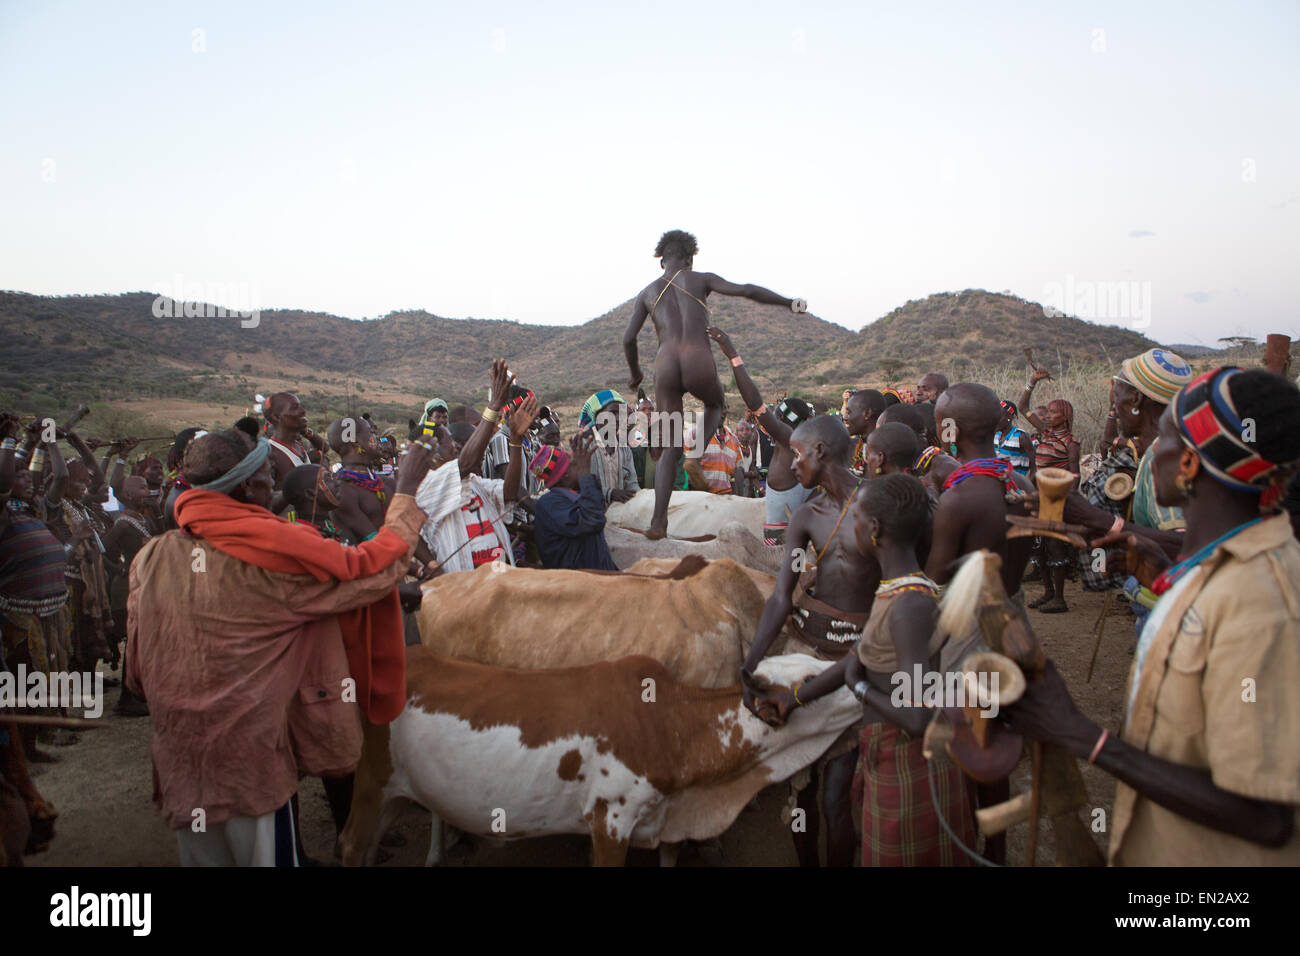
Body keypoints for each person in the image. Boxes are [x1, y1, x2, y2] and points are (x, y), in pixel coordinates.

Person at [1003, 368, 1300, 865]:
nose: (1146, 449)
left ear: (1188, 461)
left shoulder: (1259, 602)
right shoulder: (1225, 570)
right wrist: (1165, 575)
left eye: (1162, 436)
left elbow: (1265, 817)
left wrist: (1084, 736)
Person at [126, 428, 440, 866]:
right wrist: (404, 492)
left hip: (180, 765)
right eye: (269, 476)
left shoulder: (151, 556)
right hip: (250, 769)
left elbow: (135, 676)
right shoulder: (276, 558)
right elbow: (372, 573)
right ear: (251, 486)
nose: (273, 487)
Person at [754, 474, 977, 865]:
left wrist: (859, 690)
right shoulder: (893, 590)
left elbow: (917, 716)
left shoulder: (909, 605)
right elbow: (857, 661)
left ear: (873, 530)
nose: (847, 525)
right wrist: (793, 699)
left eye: (854, 517)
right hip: (888, 755)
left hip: (908, 764)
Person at [740, 414, 877, 867]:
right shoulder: (805, 515)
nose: (792, 463)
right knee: (802, 790)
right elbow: (782, 596)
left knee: (837, 795)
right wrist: (753, 663)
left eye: (797, 453)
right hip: (805, 653)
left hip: (856, 665)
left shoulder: (879, 506)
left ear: (820, 451)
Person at [623, 229, 806, 539]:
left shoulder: (647, 293)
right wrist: (789, 302)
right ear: (690, 258)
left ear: (661, 261)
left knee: (668, 448)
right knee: (716, 404)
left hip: (664, 364)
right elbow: (746, 289)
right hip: (697, 358)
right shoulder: (700, 279)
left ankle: (658, 523)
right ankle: (695, 453)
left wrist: (636, 373)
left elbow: (628, 338)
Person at [923, 383, 1036, 863]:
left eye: (939, 419)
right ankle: (999, 850)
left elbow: (931, 584)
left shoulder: (961, 499)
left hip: (967, 627)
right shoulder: (1021, 486)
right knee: (992, 741)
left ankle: (968, 848)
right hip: (1011, 617)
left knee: (966, 746)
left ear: (952, 429)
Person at [415, 361, 538, 574]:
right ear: (434, 455)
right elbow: (466, 463)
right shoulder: (429, 486)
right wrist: (494, 407)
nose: (455, 451)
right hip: (465, 588)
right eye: (451, 447)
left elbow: (509, 492)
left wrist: (516, 441)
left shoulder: (475, 483)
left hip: (498, 582)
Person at [707, 327, 816, 544]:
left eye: (776, 415)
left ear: (785, 421)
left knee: (785, 569)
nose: (771, 418)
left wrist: (732, 355)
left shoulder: (789, 437)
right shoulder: (799, 442)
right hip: (787, 520)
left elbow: (754, 402)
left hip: (786, 529)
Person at [102, 475, 154, 716]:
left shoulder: (144, 519)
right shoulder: (123, 523)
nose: (147, 491)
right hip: (128, 587)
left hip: (144, 584)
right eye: (142, 488)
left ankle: (135, 692)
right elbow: (102, 549)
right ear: (128, 496)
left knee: (142, 641)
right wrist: (117, 568)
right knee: (133, 640)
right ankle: (126, 698)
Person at [530, 434, 618, 571]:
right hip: (578, 586)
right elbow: (593, 521)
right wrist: (585, 476)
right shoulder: (550, 504)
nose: (581, 466)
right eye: (574, 464)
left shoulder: (573, 495)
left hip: (597, 578)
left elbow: (597, 509)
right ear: (564, 476)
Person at [580, 390, 640, 505]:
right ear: (597, 416)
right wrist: (609, 493)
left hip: (618, 515)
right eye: (612, 412)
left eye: (620, 413)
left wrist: (638, 498)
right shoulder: (582, 446)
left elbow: (632, 482)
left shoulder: (624, 447)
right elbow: (577, 485)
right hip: (590, 515)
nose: (618, 418)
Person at [263, 393, 326, 488]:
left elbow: (324, 447)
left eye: (300, 406)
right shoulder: (270, 454)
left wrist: (305, 431)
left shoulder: (299, 447)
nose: (303, 411)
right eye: (294, 408)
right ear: (276, 417)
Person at [685, 407, 740, 494]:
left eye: (724, 407)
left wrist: (737, 497)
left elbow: (735, 475)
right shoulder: (694, 434)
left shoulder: (734, 440)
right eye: (716, 405)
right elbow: (685, 468)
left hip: (725, 498)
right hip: (700, 498)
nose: (721, 410)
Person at [844, 389, 886, 478]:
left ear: (867, 413)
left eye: (849, 412)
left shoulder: (886, 450)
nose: (845, 417)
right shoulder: (855, 446)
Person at [993, 400, 1031, 475]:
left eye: (999, 416)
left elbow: (1033, 468)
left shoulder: (1021, 437)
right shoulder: (996, 436)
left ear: (1009, 417)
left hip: (1016, 484)